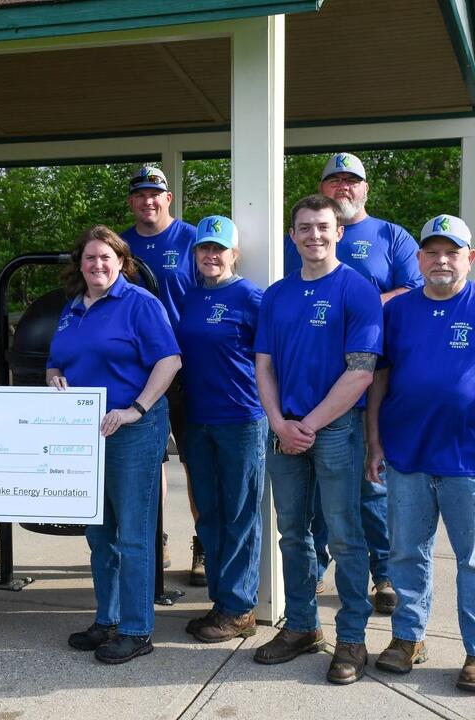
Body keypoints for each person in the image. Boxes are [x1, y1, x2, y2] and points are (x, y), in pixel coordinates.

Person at [253, 195, 382, 685]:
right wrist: (279, 423)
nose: (314, 235)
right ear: (293, 235)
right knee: (292, 534)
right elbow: (263, 365)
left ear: (339, 233)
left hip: (334, 430)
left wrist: (306, 424)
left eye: (323, 227)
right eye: (304, 227)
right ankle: (303, 627)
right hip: (283, 430)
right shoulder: (278, 294)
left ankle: (352, 638)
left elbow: (362, 372)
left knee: (346, 535)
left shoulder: (358, 289)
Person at [286, 152, 422, 611]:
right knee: (324, 491)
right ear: (322, 189)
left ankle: (382, 574)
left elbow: (415, 290)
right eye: (334, 181)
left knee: (370, 484)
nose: (343, 187)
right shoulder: (306, 235)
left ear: (365, 189)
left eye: (352, 181)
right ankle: (323, 568)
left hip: (374, 379)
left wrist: (360, 305)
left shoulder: (390, 235)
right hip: (319, 387)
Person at [49, 225, 181, 664]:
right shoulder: (72, 309)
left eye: (106, 257)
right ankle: (106, 619)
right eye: (90, 258)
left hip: (131, 431)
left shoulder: (140, 303)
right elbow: (55, 362)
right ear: (80, 265)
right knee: (98, 534)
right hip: (84, 435)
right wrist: (55, 379)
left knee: (134, 535)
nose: (97, 265)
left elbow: (169, 360)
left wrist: (136, 410)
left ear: (121, 262)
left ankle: (136, 628)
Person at [366, 214, 475, 692]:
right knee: (407, 553)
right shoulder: (398, 311)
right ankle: (408, 638)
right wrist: (373, 440)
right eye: (432, 252)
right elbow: (379, 379)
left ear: (469, 258)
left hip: (468, 459)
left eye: (452, 252)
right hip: (406, 452)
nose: (441, 260)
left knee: (473, 560)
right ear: (419, 259)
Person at [175, 216, 266, 643]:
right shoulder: (189, 298)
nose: (211, 256)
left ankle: (240, 608)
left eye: (219, 249)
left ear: (234, 254)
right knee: (209, 513)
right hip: (198, 420)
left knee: (240, 514)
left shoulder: (251, 297)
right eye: (203, 249)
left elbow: (273, 359)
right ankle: (221, 601)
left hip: (241, 420)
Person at [120, 165, 204, 585]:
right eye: (140, 194)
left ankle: (202, 544)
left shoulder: (192, 239)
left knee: (194, 460)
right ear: (132, 201)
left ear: (168, 198)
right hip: (138, 373)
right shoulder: (120, 246)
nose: (148, 200)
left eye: (155, 193)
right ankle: (156, 539)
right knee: (148, 461)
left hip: (187, 368)